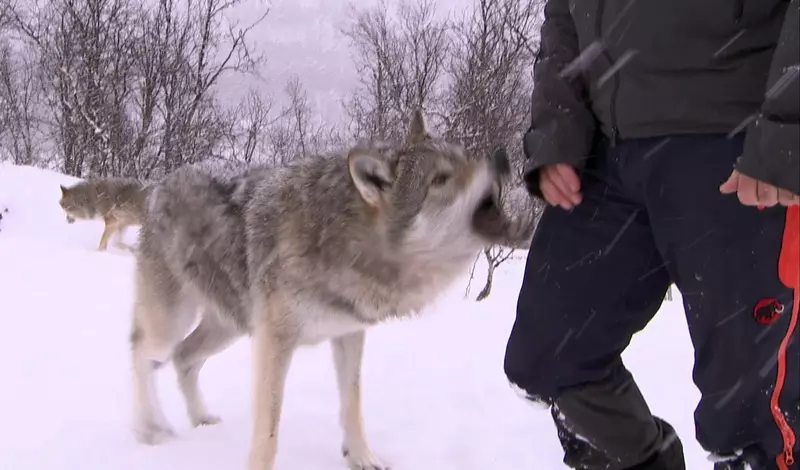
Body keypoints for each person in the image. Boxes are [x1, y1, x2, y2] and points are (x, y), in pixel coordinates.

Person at [503, 1, 799, 469]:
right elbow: (564, 11)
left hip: (739, 146)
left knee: (755, 414)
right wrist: (558, 127)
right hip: (610, 148)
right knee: (551, 358)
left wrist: (789, 131)